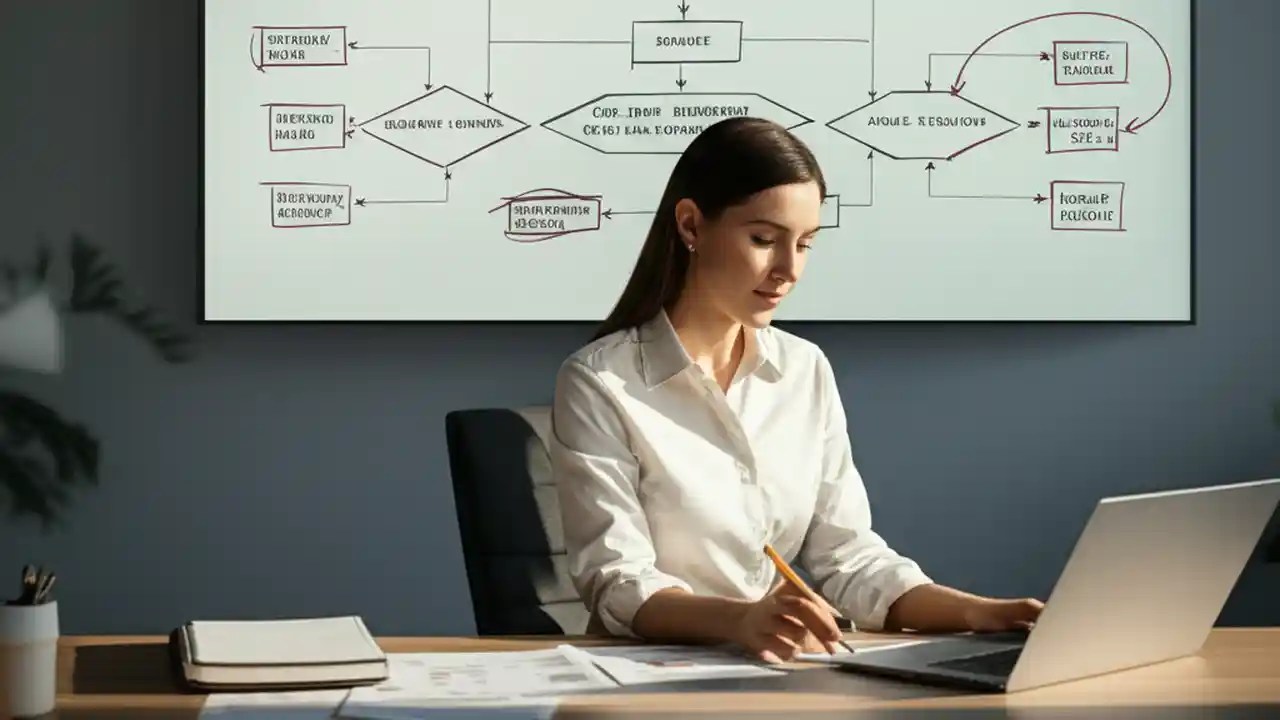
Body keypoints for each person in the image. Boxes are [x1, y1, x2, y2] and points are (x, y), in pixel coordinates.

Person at [548, 116, 1043, 663]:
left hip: (773, 672)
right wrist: (743, 620)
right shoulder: (600, 381)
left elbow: (850, 559)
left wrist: (981, 613)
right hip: (647, 681)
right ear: (690, 226)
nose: (788, 269)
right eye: (763, 240)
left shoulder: (804, 369)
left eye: (805, 244)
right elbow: (619, 582)